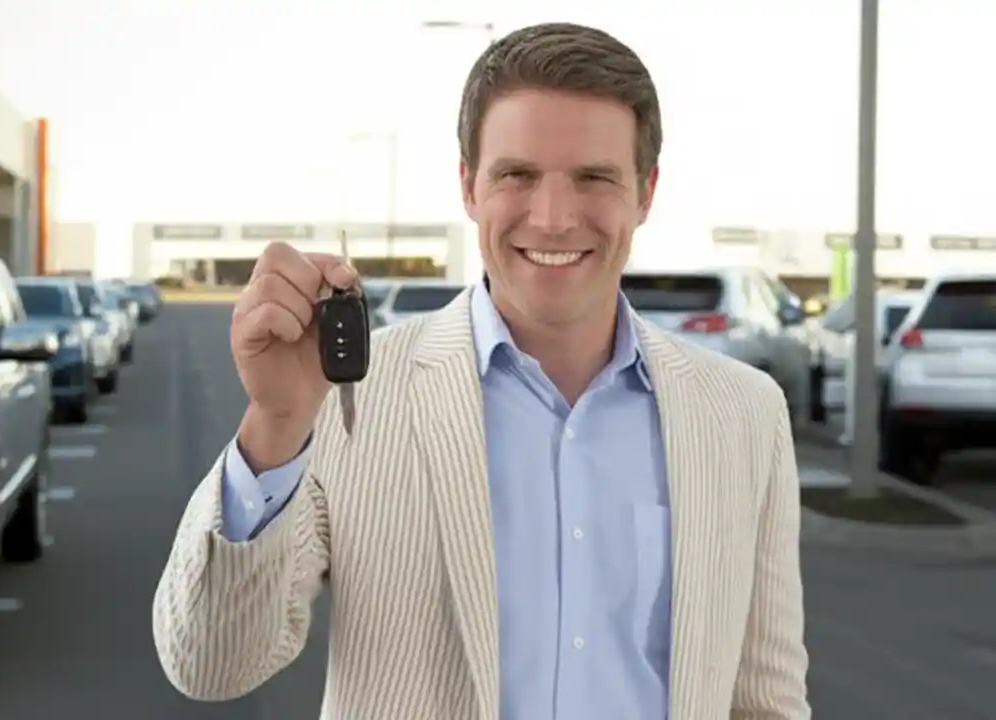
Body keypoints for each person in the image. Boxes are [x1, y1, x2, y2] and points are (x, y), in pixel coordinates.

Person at [153, 21, 810, 720]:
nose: (553, 218)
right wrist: (278, 423)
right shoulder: (348, 401)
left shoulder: (744, 413)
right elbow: (210, 664)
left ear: (645, 192)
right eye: (517, 175)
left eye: (594, 177)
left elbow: (764, 701)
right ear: (469, 186)